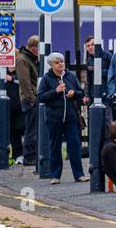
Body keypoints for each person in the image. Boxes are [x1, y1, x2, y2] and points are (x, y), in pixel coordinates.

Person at [38, 52, 88, 184]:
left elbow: (81, 92)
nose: (61, 64)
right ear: (51, 65)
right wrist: (55, 91)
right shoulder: (46, 79)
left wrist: (74, 93)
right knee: (55, 146)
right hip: (54, 117)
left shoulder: (70, 76)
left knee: (74, 145)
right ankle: (55, 175)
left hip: (71, 117)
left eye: (62, 62)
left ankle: (79, 175)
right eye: (57, 62)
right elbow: (41, 97)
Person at [15, 35, 40, 170]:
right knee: (31, 130)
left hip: (32, 98)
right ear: (33, 48)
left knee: (34, 129)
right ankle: (29, 157)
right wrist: (32, 99)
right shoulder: (23, 60)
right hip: (30, 100)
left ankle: (32, 155)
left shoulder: (30, 59)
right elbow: (24, 82)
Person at [0, 66, 24, 162]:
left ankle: (23, 153)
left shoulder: (20, 70)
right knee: (9, 131)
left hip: (20, 106)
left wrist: (12, 79)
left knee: (20, 128)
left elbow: (24, 83)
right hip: (6, 107)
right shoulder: (1, 71)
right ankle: (11, 155)